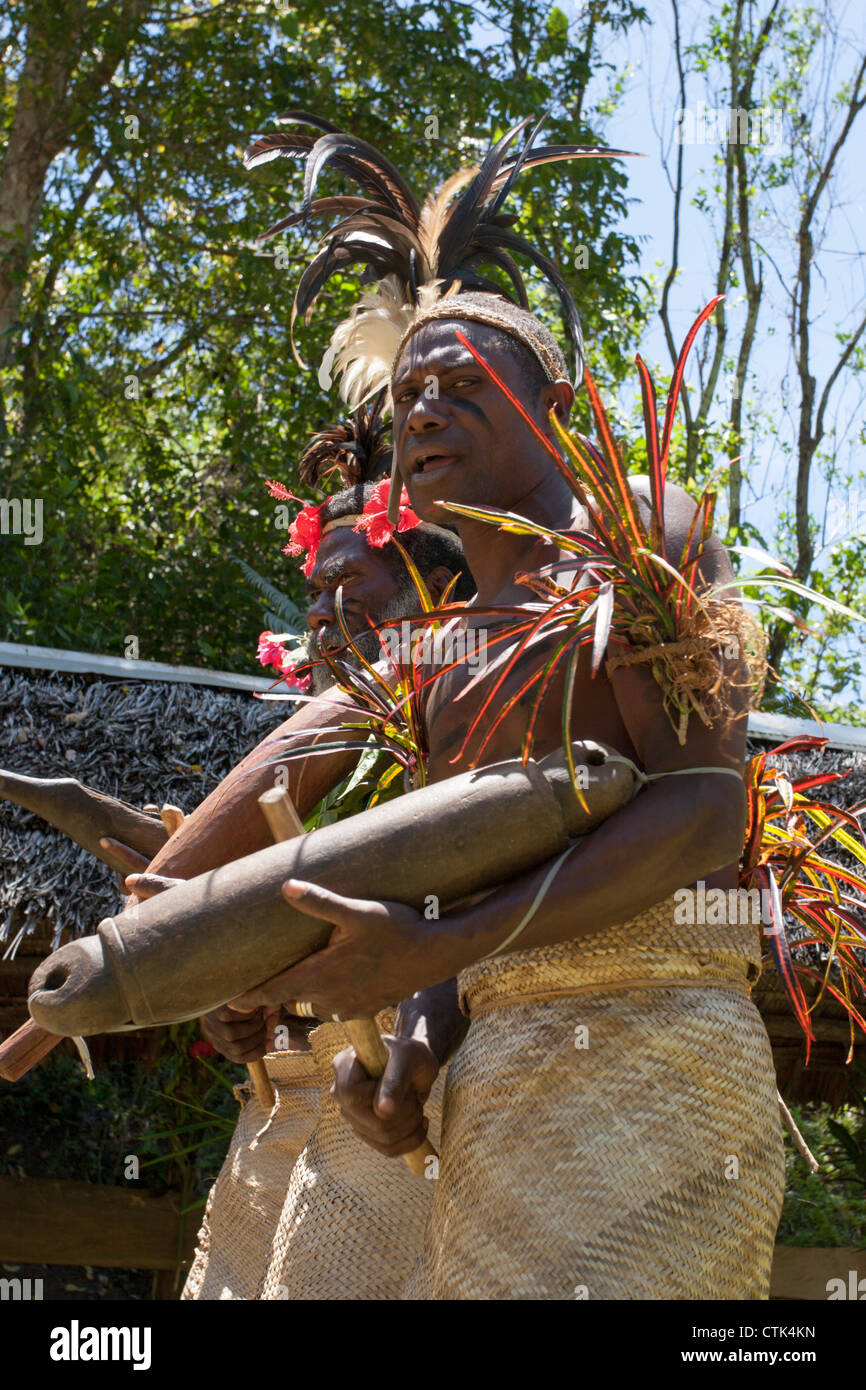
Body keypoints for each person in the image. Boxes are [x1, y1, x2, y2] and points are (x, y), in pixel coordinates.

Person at [221, 118, 785, 1300]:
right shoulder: (440, 654)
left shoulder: (644, 533)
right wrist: (420, 1042)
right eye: (409, 390)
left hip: (654, 1040)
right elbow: (455, 888)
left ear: (554, 401)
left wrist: (442, 947)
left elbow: (697, 816)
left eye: (460, 384)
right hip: (502, 1072)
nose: (422, 409)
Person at [131, 411, 474, 1300]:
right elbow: (282, 962)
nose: (318, 615)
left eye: (343, 586)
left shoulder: (477, 730)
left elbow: (471, 927)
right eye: (311, 594)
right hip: (290, 1120)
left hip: (422, 1111)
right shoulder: (307, 758)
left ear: (435, 588)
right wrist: (240, 1008)